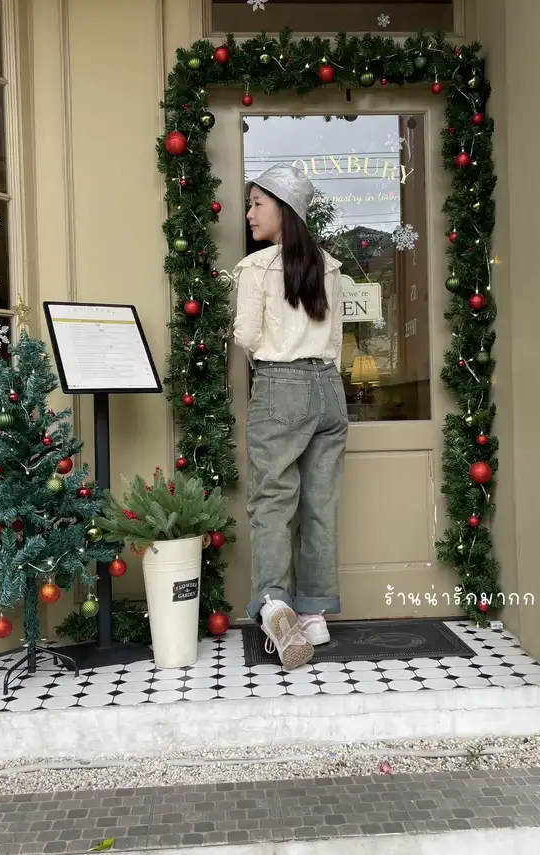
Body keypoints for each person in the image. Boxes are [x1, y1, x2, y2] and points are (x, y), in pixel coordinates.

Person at [233, 164, 349, 671]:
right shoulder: (331, 267)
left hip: (280, 385)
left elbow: (245, 335)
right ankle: (315, 614)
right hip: (329, 389)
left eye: (257, 203)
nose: (249, 212)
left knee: (273, 500)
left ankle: (275, 606)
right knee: (319, 503)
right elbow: (336, 339)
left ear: (284, 209)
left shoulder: (257, 268)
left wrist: (273, 357)